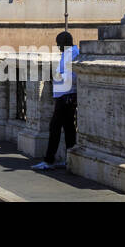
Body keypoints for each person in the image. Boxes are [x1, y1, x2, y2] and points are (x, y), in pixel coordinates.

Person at [33, 31, 80, 170]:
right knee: (69, 129)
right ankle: (69, 160)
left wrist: (57, 77)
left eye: (59, 43)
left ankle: (49, 160)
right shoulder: (68, 53)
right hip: (63, 95)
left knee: (55, 127)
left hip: (67, 96)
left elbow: (72, 75)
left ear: (65, 42)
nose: (58, 46)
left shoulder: (72, 53)